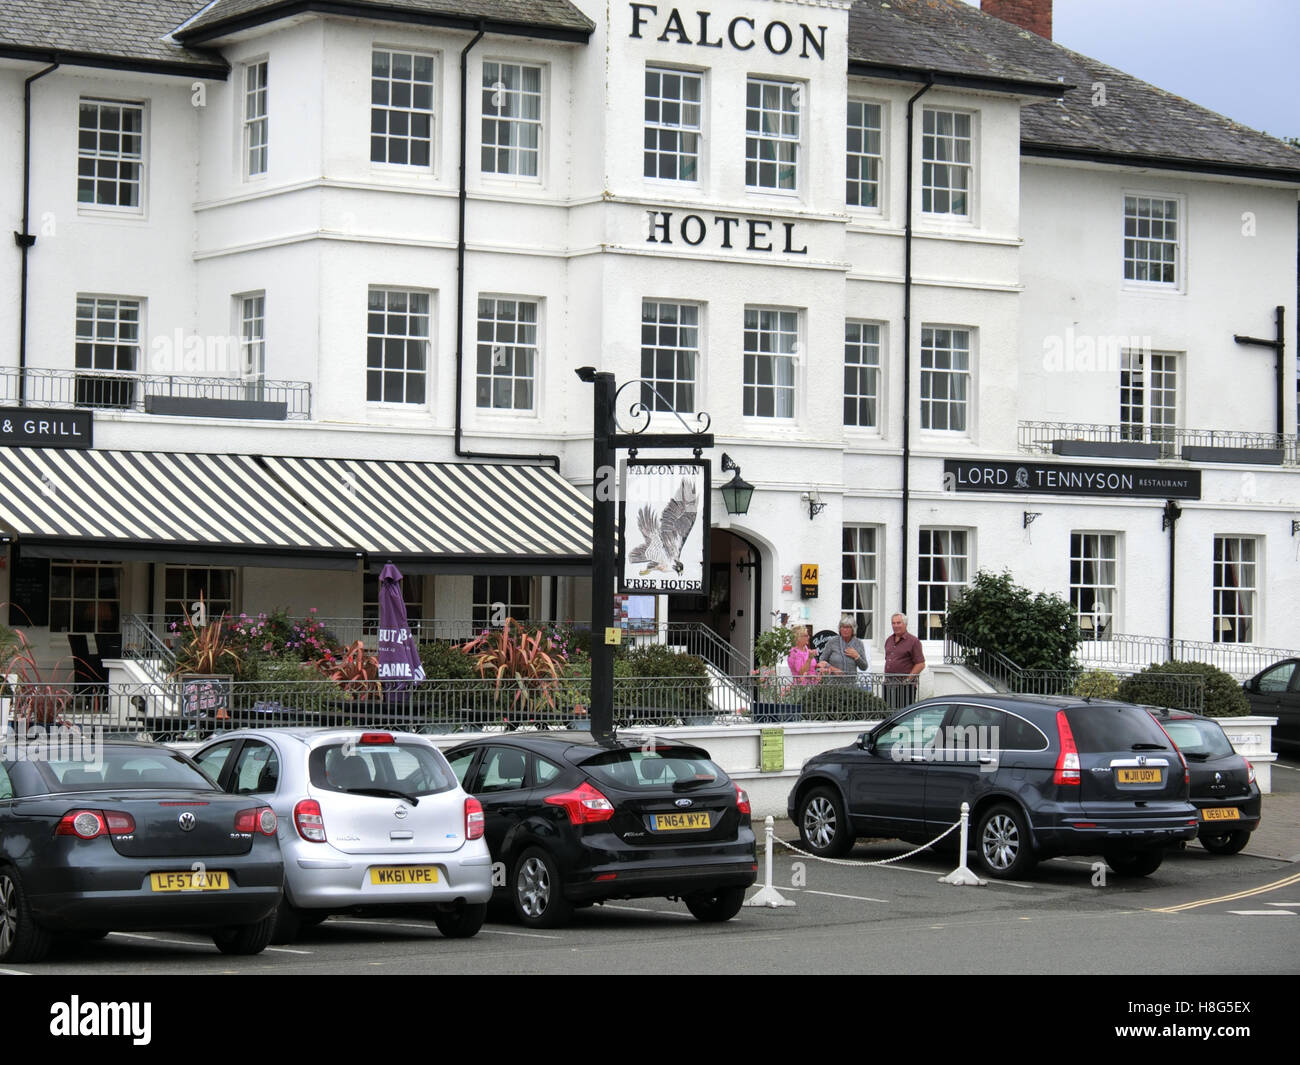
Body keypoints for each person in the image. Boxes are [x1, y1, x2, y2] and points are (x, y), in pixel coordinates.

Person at [883, 612, 926, 709]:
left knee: (904, 714)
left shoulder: (913, 641)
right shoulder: (889, 640)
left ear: (905, 624)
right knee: (888, 713)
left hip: (905, 687)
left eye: (898, 623)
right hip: (889, 685)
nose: (895, 626)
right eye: (893, 623)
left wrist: (907, 680)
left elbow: (920, 664)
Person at [820, 615, 870, 685]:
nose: (845, 630)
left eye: (848, 627)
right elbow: (821, 661)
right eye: (843, 627)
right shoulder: (832, 642)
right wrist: (832, 668)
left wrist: (857, 657)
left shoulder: (858, 643)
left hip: (851, 686)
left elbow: (864, 667)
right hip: (832, 685)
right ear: (840, 629)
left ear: (853, 629)